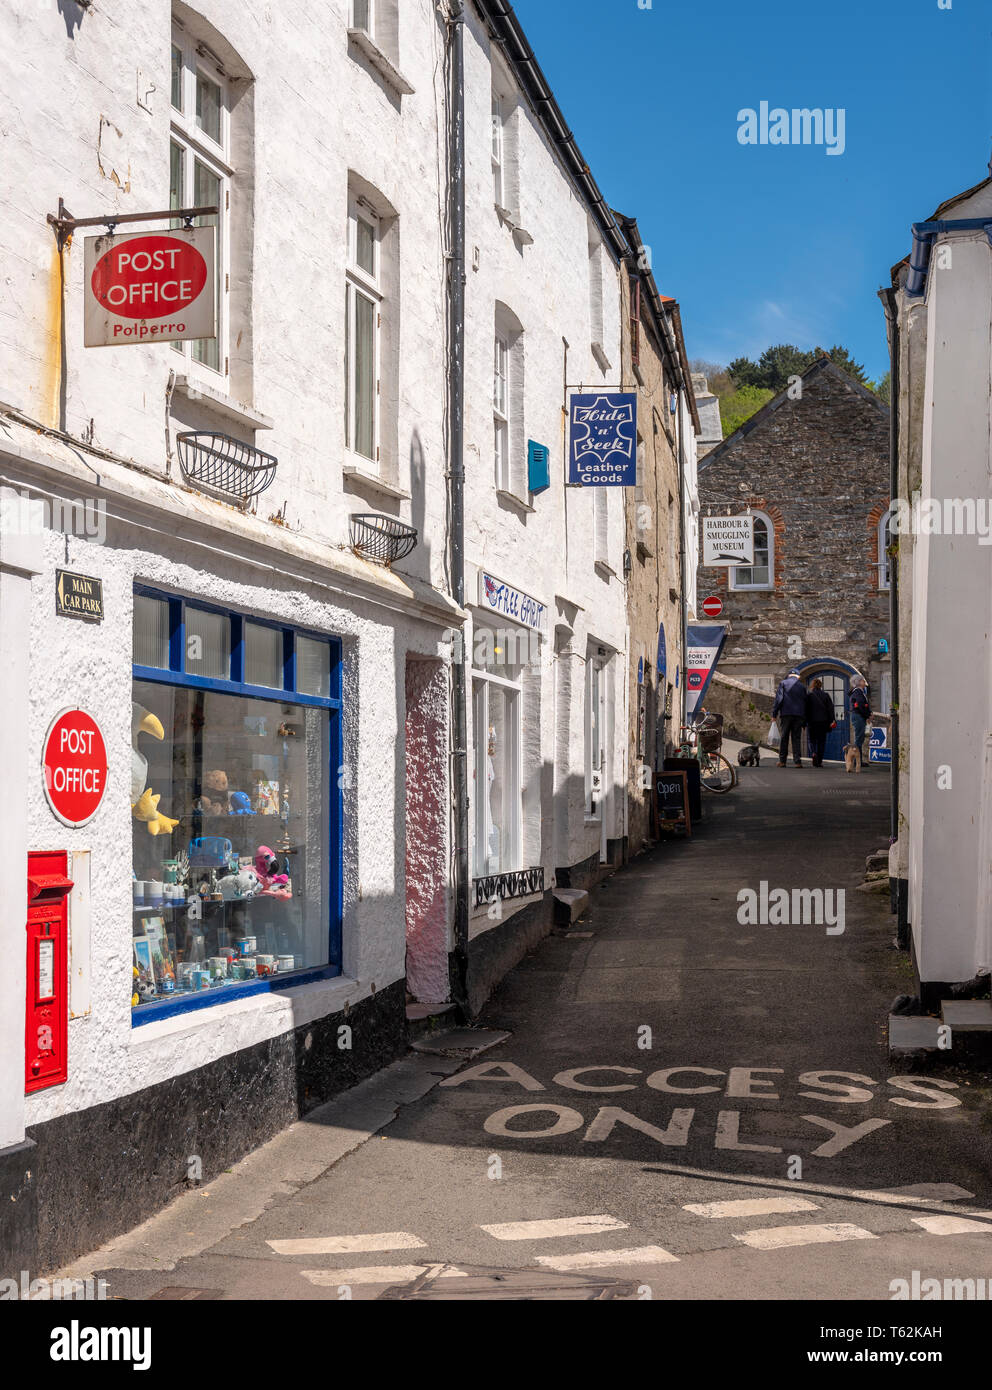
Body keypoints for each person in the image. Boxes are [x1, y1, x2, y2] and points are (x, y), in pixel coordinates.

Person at [771, 668, 809, 768]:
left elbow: (779, 699)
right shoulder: (802, 686)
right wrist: (805, 722)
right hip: (799, 716)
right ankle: (797, 761)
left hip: (786, 714)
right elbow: (806, 704)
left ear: (789, 675)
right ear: (798, 676)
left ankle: (782, 761)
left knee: (784, 737)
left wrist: (774, 714)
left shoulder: (783, 683)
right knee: (796, 738)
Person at [806, 678, 835, 768]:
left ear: (812, 685)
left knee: (812, 740)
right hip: (823, 722)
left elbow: (806, 710)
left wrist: (804, 721)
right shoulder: (825, 695)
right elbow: (830, 709)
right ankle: (820, 761)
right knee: (821, 742)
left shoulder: (809, 696)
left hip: (812, 722)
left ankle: (814, 753)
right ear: (820, 685)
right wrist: (832, 720)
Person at [849, 676, 871, 761]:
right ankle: (856, 761)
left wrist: (868, 713)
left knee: (860, 739)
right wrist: (868, 715)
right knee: (858, 739)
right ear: (858, 682)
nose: (864, 681)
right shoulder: (858, 692)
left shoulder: (859, 691)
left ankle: (859, 760)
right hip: (858, 716)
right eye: (862, 680)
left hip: (858, 716)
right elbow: (861, 705)